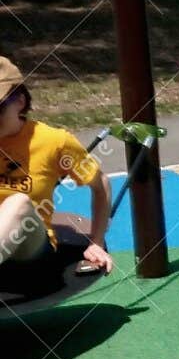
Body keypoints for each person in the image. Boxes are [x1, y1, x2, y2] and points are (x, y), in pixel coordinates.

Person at [0, 56, 114, 296]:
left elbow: (100, 183)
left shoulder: (53, 142)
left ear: (20, 101)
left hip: (27, 250)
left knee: (19, 203)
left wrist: (96, 241)